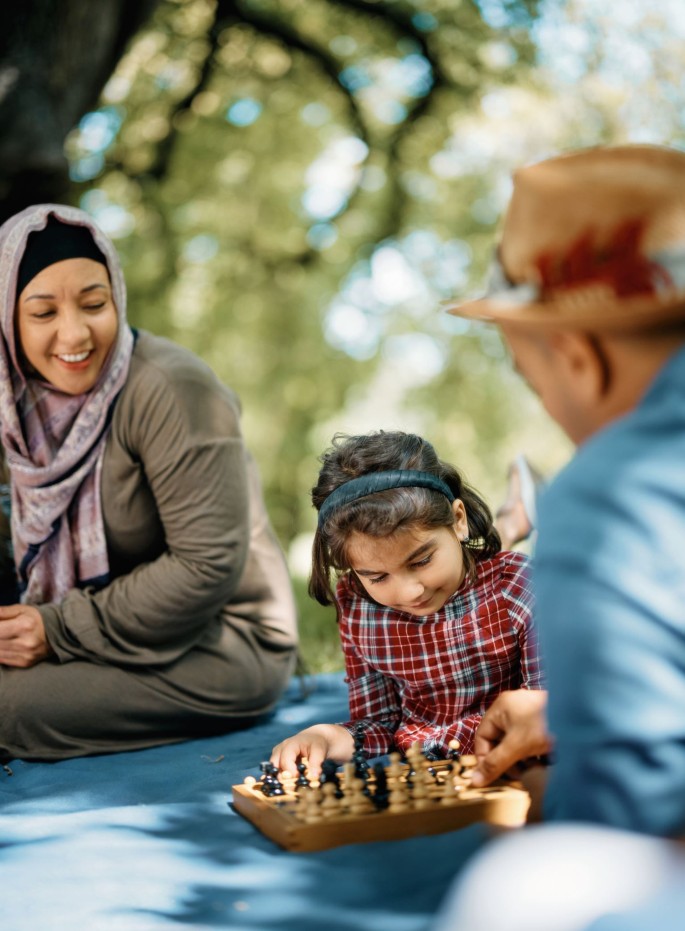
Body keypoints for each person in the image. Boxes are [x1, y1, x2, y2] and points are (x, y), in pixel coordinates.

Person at [434, 144, 685, 929]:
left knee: (522, 886)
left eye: (530, 376)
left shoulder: (610, 494)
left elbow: (630, 832)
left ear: (577, 358)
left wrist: (550, 794)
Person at [0, 203, 298, 762]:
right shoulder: (16, 407)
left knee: (5, 706)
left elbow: (205, 566)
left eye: (94, 304)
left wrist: (56, 629)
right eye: (43, 312)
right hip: (99, 634)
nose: (75, 332)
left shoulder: (173, 388)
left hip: (222, 640)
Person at [270, 430, 543, 777]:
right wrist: (326, 736)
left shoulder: (521, 589)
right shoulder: (359, 607)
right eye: (377, 577)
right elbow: (378, 725)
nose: (411, 592)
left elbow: (548, 713)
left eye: (421, 561)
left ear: (458, 520)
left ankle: (514, 519)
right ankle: (512, 519)